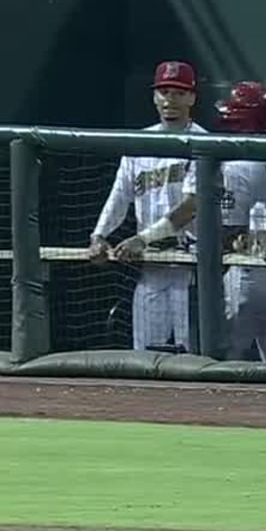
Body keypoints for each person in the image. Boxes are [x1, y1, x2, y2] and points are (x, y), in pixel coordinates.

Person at [118, 81, 266, 362]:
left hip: (249, 275)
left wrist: (187, 240)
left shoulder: (236, 164)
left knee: (218, 362)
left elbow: (226, 233)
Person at [88, 60, 207, 352]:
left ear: (192, 97)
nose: (170, 100)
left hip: (190, 268)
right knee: (143, 355)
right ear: (154, 96)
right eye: (164, 92)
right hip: (151, 268)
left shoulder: (205, 142)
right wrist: (99, 236)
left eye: (178, 93)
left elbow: (192, 206)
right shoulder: (139, 142)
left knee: (191, 354)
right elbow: (119, 197)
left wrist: (142, 238)